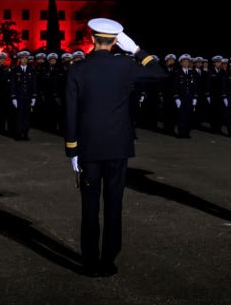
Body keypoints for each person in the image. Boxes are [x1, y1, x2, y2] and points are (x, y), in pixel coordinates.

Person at [64, 18, 166, 277]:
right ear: (115, 42)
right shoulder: (125, 65)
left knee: (89, 207)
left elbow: (71, 112)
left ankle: (89, 262)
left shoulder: (78, 69)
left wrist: (72, 149)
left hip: (88, 148)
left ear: (92, 39)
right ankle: (108, 260)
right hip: (118, 147)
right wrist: (135, 49)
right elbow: (159, 72)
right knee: (113, 204)